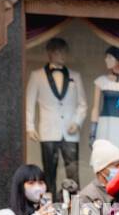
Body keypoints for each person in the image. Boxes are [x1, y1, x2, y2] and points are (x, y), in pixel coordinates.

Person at [25, 37, 87, 194]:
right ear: (50, 53)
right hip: (48, 131)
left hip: (71, 133)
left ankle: (75, 206)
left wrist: (77, 122)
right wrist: (29, 126)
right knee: (49, 172)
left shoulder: (75, 76)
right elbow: (29, 102)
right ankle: (49, 206)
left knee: (73, 172)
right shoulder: (37, 75)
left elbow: (83, 104)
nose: (62, 55)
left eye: (64, 52)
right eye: (59, 52)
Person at [90, 46, 119, 155]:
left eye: (110, 57)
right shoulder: (101, 81)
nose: (106, 60)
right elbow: (95, 108)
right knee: (104, 159)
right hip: (105, 124)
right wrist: (92, 133)